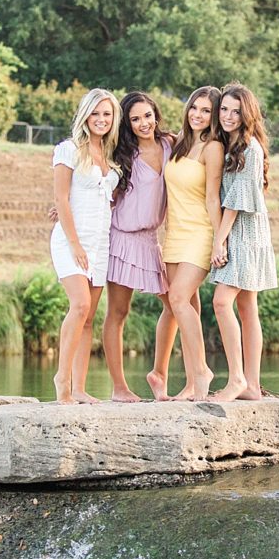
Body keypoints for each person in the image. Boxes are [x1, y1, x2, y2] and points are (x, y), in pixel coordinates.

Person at [151, 86, 223, 401]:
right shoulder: (178, 142)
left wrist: (219, 240)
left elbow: (212, 198)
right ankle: (192, 384)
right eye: (194, 107)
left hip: (200, 232)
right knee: (186, 305)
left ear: (214, 115)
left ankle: (202, 371)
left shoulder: (213, 148)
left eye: (206, 110)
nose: (198, 114)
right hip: (174, 234)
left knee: (178, 298)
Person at [49, 88, 120, 404]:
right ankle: (62, 379)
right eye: (95, 113)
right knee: (79, 305)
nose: (101, 119)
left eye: (107, 114)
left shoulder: (111, 154)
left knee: (89, 317)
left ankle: (79, 387)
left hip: (100, 242)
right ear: (85, 115)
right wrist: (75, 244)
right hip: (71, 240)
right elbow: (61, 198)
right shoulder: (68, 150)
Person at [101, 92, 174, 403]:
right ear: (127, 124)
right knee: (118, 311)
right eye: (135, 119)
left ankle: (159, 374)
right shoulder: (121, 154)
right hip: (122, 238)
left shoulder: (170, 144)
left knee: (175, 305)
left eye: (147, 116)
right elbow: (97, 186)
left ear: (156, 115)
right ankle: (119, 387)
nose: (144, 123)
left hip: (151, 240)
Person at [207, 83, 277, 402]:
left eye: (236, 111)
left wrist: (219, 241)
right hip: (240, 232)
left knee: (222, 302)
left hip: (245, 235)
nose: (228, 116)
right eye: (224, 109)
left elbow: (235, 203)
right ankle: (252, 385)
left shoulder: (250, 149)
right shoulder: (229, 144)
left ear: (247, 115)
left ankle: (237, 379)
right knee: (247, 307)